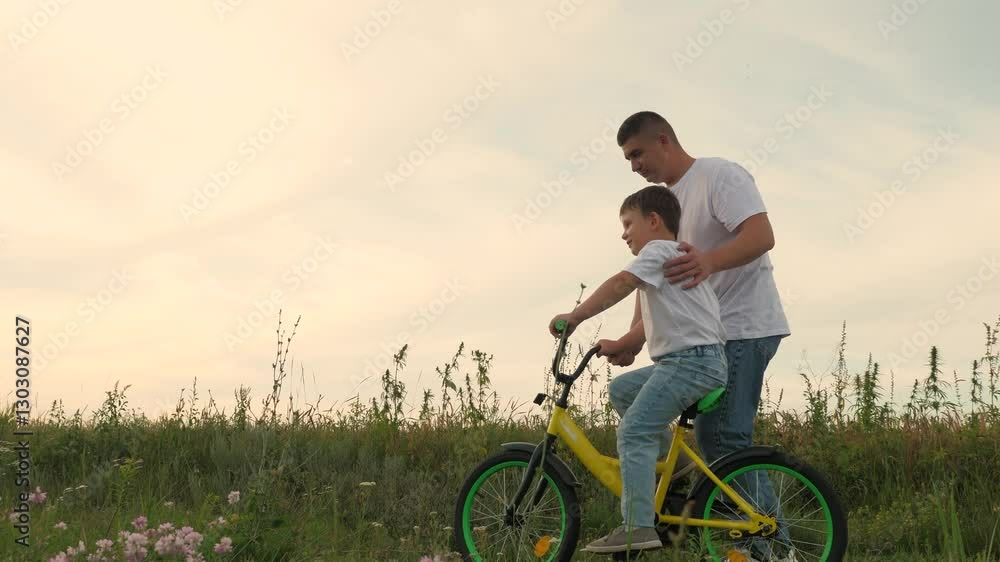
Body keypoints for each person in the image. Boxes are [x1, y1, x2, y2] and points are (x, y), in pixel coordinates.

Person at [601, 111, 792, 558]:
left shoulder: (717, 177)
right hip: (699, 341)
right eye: (628, 159)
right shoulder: (661, 207)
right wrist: (634, 338)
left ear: (663, 141)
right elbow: (654, 278)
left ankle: (778, 548)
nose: (633, 165)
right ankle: (683, 475)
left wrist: (709, 260)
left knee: (724, 439)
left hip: (744, 327)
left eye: (637, 154)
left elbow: (762, 234)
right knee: (627, 396)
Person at [548, 185, 728, 554]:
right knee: (622, 391)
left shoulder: (658, 250)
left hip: (690, 362)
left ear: (654, 221)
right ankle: (674, 464)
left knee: (633, 432)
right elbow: (650, 317)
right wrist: (626, 344)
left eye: (628, 223)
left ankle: (637, 528)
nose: (623, 233)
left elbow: (621, 283)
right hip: (696, 361)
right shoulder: (672, 258)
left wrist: (576, 316)